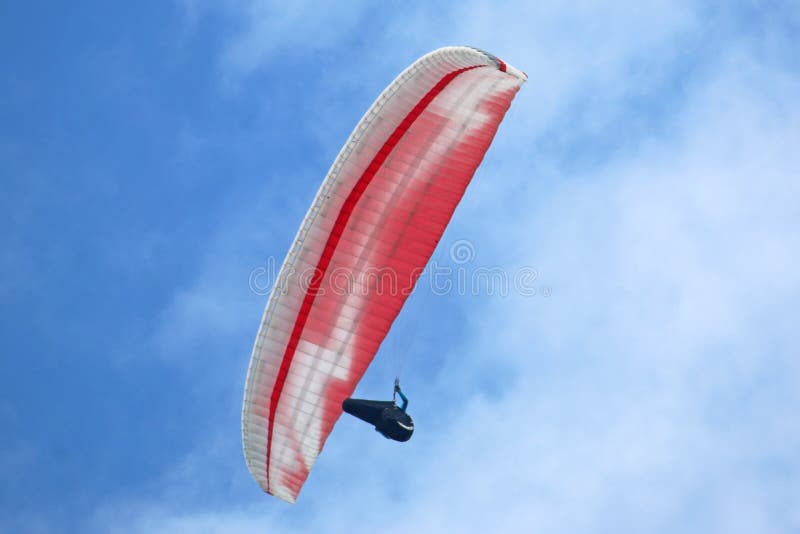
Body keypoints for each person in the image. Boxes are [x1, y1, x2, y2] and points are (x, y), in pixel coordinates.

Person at [342, 379, 414, 442]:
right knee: (372, 412)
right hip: (398, 429)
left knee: (376, 411)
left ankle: (348, 405)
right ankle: (348, 405)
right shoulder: (399, 413)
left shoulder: (399, 413)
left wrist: (399, 391)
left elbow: (406, 402)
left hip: (402, 428)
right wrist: (399, 391)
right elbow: (405, 402)